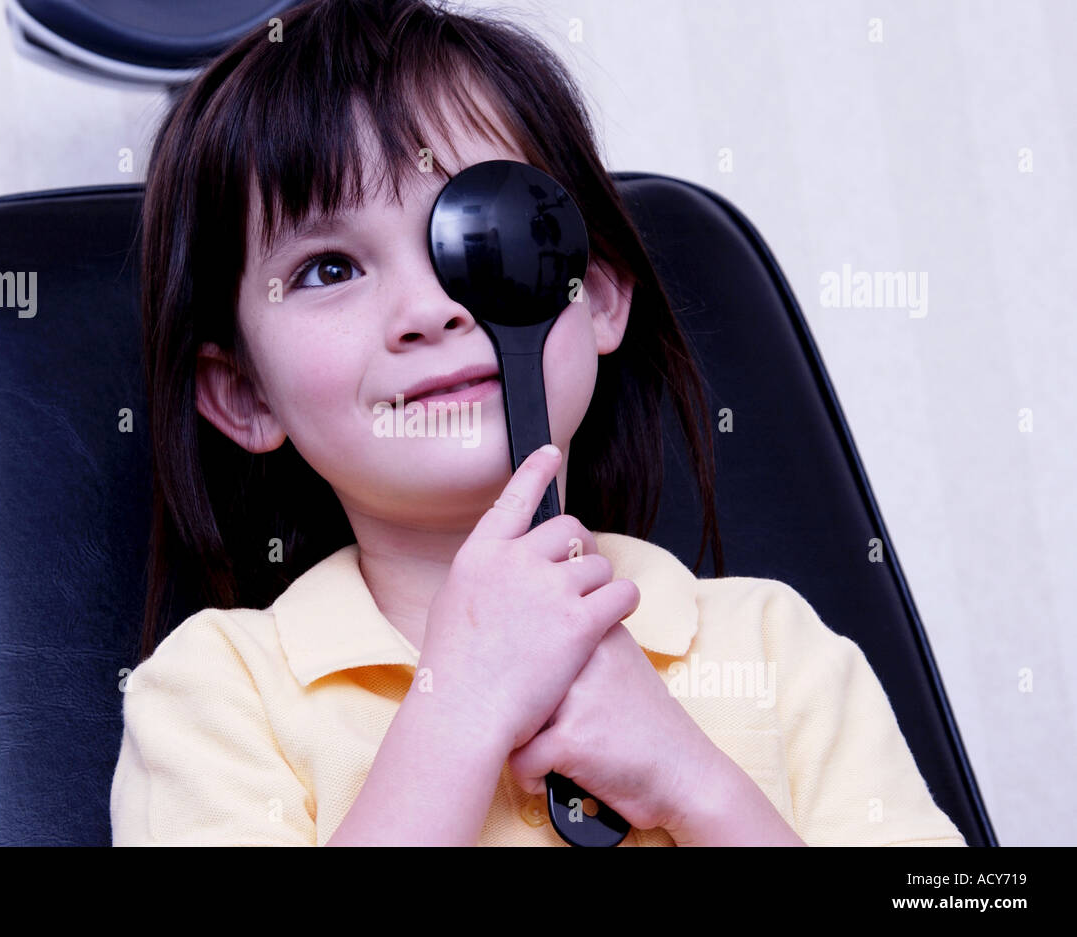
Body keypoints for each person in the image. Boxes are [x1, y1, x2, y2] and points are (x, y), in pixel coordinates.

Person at [110, 0, 966, 846]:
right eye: (329, 268)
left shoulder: (776, 650)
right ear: (246, 395)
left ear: (594, 293)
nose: (428, 309)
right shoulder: (216, 695)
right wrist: (461, 705)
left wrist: (694, 782)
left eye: (483, 228)